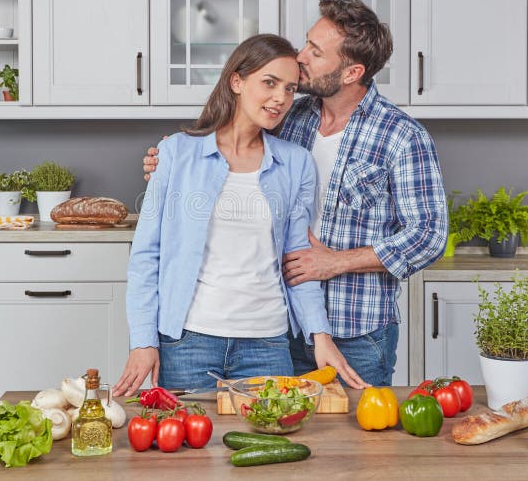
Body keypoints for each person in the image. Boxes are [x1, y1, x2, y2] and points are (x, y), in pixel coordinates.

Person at [144, 0, 448, 386]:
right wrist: (169, 162)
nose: (300, 56)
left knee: (348, 443)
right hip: (280, 324)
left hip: (352, 329)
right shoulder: (289, 116)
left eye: (315, 52)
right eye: (307, 42)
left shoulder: (401, 136)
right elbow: (226, 146)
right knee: (279, 434)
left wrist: (337, 262)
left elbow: (429, 236)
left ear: (352, 71)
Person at [113, 34, 366, 397]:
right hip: (189, 343)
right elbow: (145, 257)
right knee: (190, 451)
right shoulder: (175, 154)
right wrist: (143, 341)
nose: (280, 97)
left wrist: (319, 336)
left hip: (267, 345)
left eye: (291, 88)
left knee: (272, 447)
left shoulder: (295, 163)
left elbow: (298, 261)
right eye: (269, 82)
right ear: (236, 81)